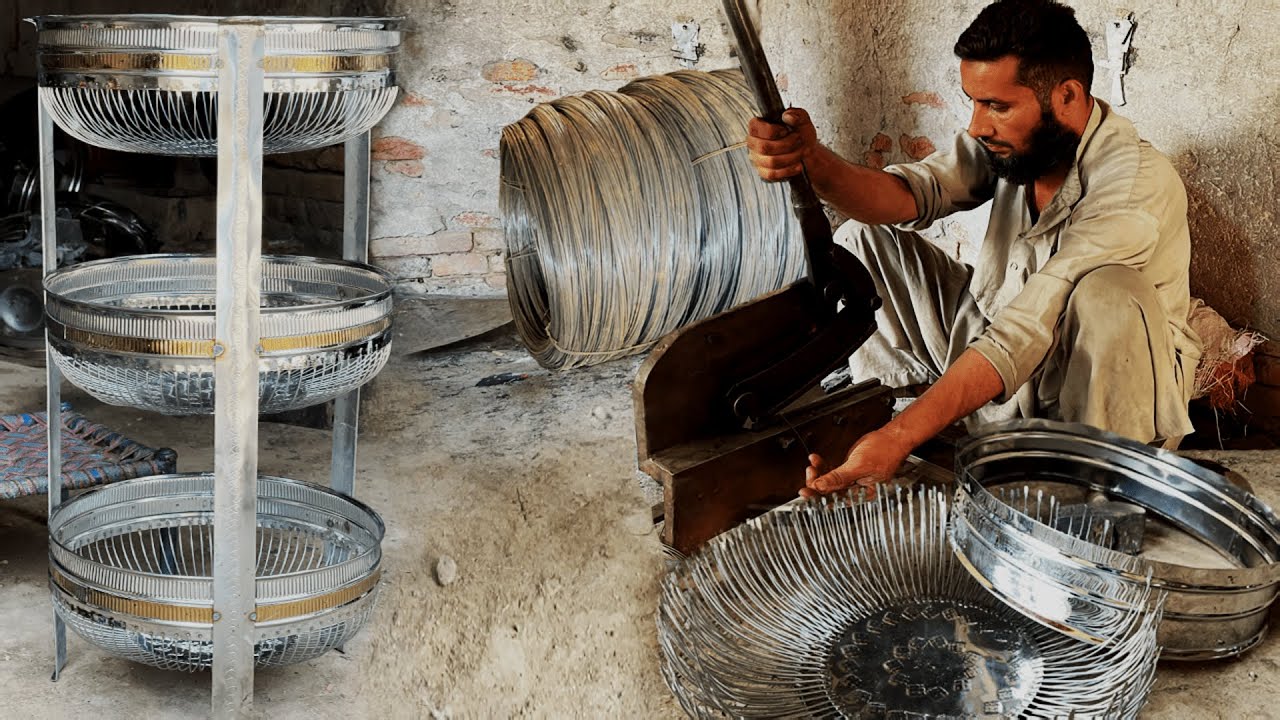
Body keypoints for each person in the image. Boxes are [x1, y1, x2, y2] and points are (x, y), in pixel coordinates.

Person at [745, 0, 1201, 498]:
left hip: (1091, 392)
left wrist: (900, 437)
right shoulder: (1011, 144)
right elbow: (912, 193)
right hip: (1001, 351)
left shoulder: (1133, 182)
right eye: (975, 102)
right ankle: (893, 428)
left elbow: (1030, 325)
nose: (979, 125)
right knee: (863, 239)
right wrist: (814, 162)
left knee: (1107, 294)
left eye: (997, 106)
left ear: (1067, 96)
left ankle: (1098, 495)